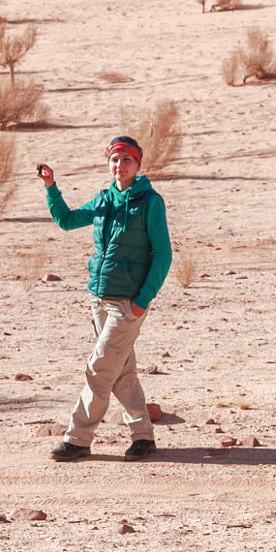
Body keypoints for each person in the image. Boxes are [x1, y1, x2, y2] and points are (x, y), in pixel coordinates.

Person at [37, 135, 172, 462]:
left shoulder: (150, 202)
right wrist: (51, 187)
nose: (119, 165)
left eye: (127, 159)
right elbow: (67, 221)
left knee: (99, 369)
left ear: (138, 164)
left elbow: (163, 255)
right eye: (115, 159)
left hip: (127, 304)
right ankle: (143, 436)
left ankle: (78, 439)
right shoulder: (104, 200)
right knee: (121, 371)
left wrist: (143, 299)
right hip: (98, 300)